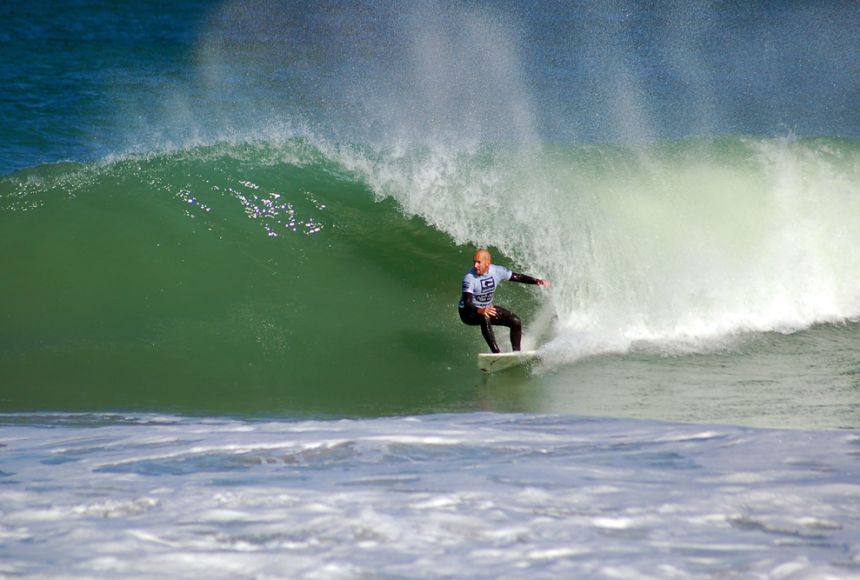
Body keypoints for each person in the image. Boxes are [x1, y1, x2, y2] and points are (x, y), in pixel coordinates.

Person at [458, 248, 550, 353]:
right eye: (474, 262)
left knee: (515, 321)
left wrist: (536, 281)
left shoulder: (497, 271)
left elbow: (517, 277)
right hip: (468, 312)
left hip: (487, 308)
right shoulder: (469, 278)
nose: (475, 266)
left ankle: (516, 353)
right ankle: (496, 353)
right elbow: (467, 302)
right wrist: (479, 310)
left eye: (478, 262)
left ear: (487, 263)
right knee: (484, 316)